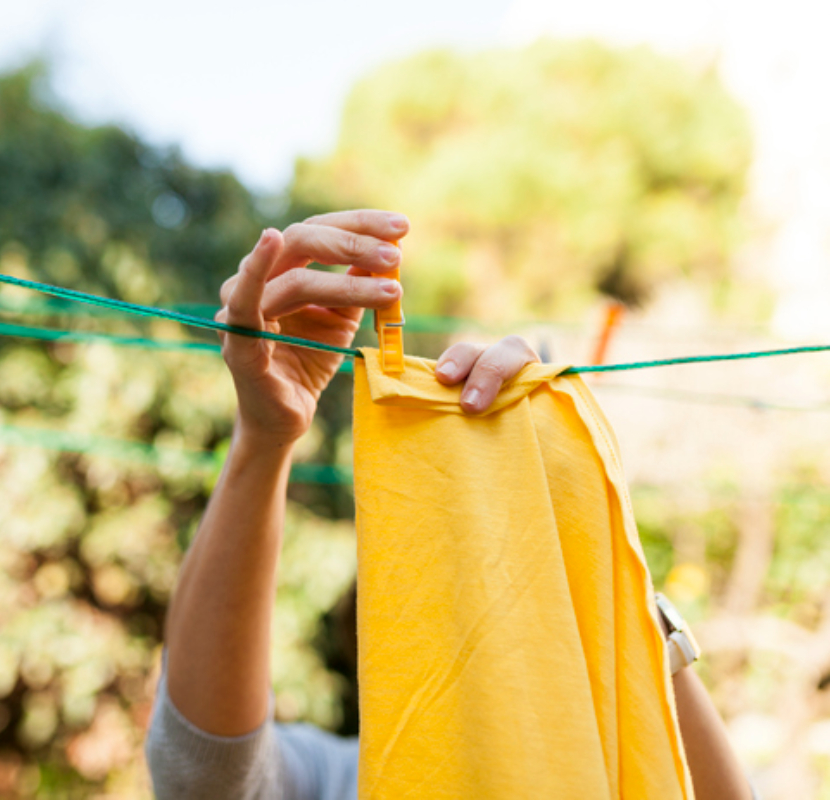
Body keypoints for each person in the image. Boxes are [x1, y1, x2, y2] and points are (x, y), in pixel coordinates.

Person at [143, 211, 757, 799]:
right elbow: (201, 777)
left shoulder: (616, 759)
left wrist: (580, 529)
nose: (492, 605)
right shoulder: (332, 780)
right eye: (441, 590)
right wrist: (264, 434)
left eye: (521, 577)